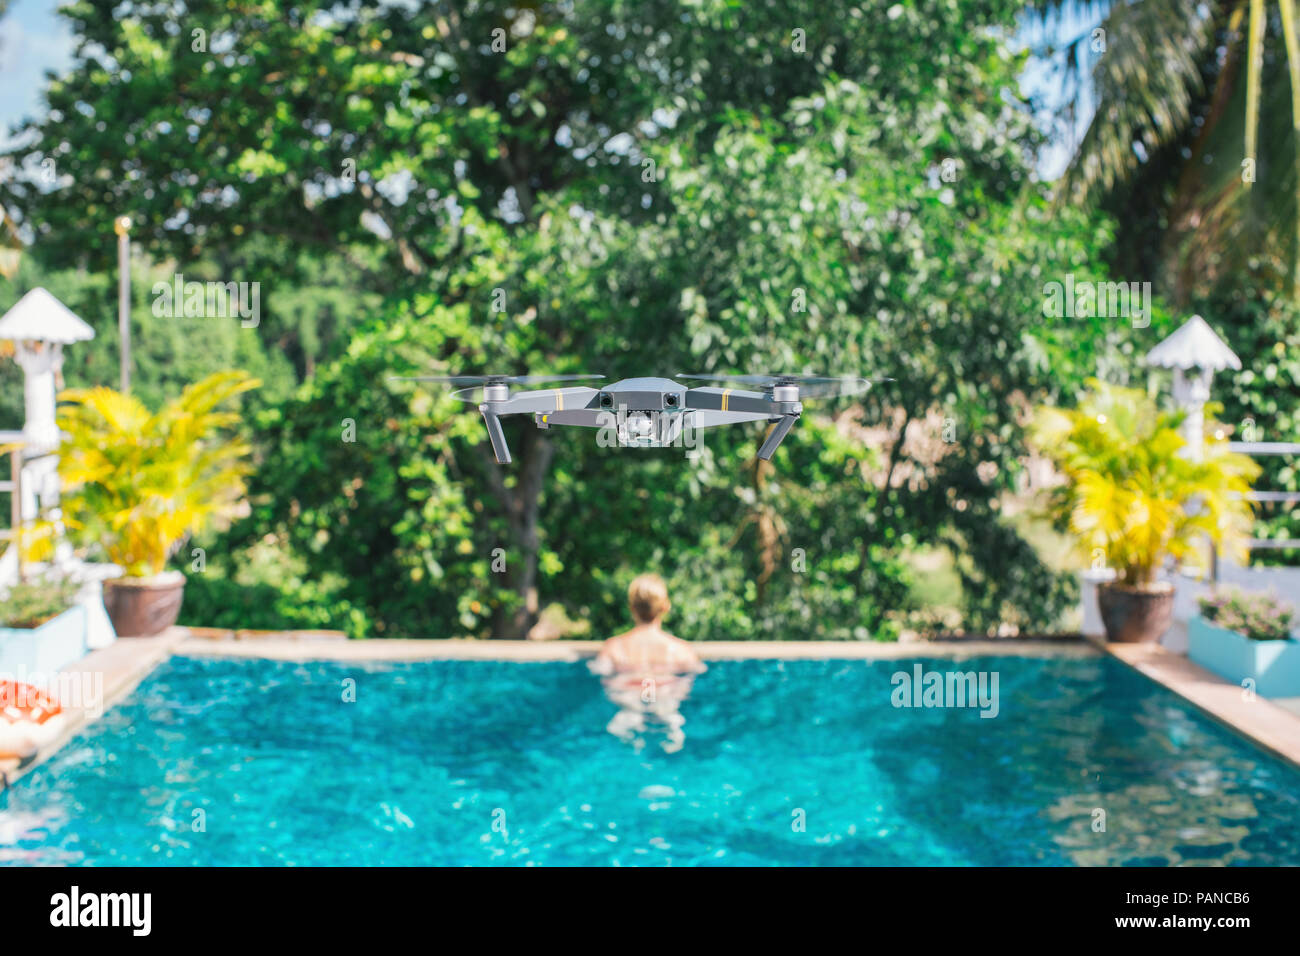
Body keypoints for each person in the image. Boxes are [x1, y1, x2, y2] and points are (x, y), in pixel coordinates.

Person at [590, 574, 705, 753]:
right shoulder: (681, 650)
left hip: (629, 700)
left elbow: (604, 678)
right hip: (665, 699)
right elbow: (689, 681)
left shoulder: (613, 648)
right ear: (665, 606)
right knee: (671, 726)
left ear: (631, 608)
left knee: (624, 733)